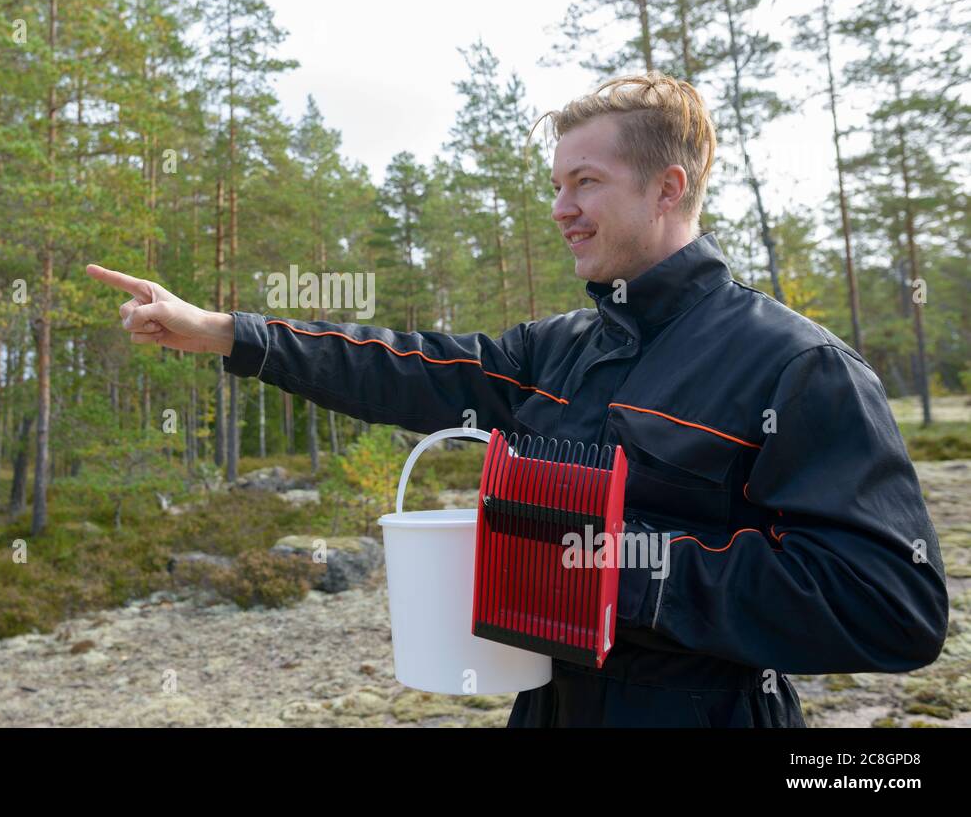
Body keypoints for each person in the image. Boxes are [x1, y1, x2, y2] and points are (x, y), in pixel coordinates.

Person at [87, 72, 949, 727]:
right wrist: (229, 333)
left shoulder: (796, 366)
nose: (560, 208)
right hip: (547, 706)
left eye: (585, 183)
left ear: (668, 187)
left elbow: (892, 606)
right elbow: (404, 366)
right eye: (557, 185)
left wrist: (624, 571)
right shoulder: (555, 350)